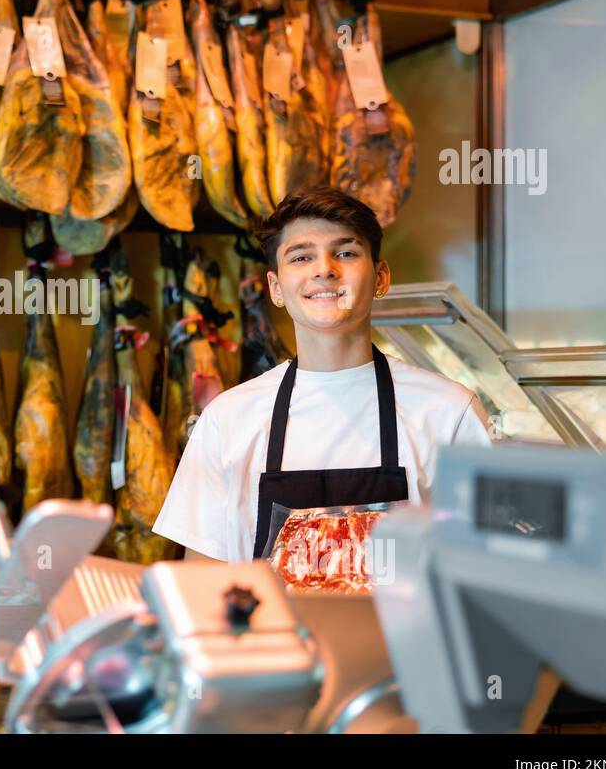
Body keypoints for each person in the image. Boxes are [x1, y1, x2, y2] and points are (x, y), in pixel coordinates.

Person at [153, 188, 492, 564]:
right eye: (301, 257)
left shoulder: (449, 414)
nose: (324, 269)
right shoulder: (225, 421)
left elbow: (484, 572)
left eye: (345, 253)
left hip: (398, 626)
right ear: (276, 288)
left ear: (381, 277)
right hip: (272, 625)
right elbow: (203, 587)